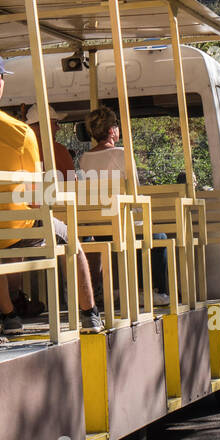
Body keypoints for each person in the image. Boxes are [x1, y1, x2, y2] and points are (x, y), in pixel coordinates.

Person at [0, 51, 103, 336]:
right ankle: (90, 314)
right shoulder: (20, 133)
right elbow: (34, 198)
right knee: (71, 240)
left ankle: (9, 316)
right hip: (15, 230)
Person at [76, 104, 170, 307]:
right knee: (158, 237)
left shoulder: (84, 159)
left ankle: (138, 290)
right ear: (111, 131)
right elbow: (134, 192)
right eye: (116, 125)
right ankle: (158, 292)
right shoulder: (122, 154)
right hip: (123, 223)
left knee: (139, 231)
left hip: (100, 228)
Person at [26, 102, 74, 181]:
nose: (58, 128)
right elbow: (71, 183)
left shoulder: (19, 151)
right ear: (44, 124)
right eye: (55, 123)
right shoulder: (58, 150)